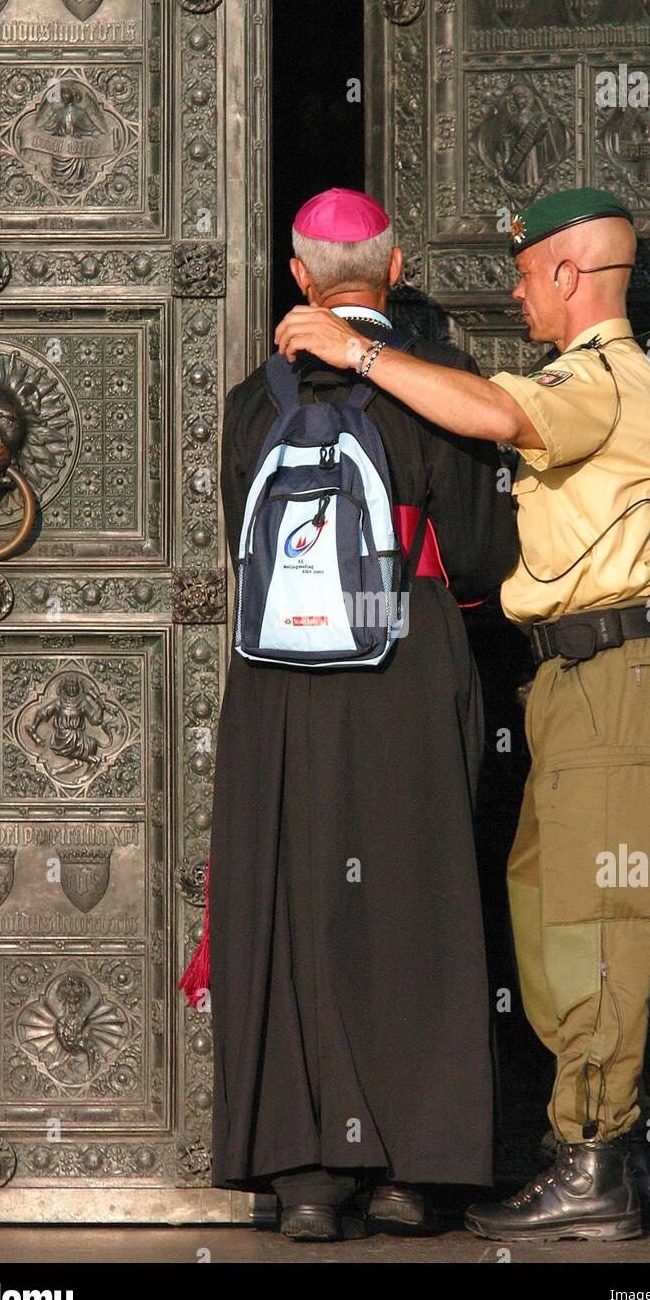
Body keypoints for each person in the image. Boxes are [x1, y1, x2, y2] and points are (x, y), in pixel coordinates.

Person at [275, 186, 650, 1242]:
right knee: (552, 910)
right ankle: (614, 1158)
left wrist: (358, 352)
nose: (512, 290)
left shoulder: (597, 377)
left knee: (590, 924)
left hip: (610, 676)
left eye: (523, 272)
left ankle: (596, 1161)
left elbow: (500, 416)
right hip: (570, 678)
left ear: (567, 274)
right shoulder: (592, 379)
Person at [191, 187, 517, 1241]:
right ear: (397, 266)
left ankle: (303, 1176)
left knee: (288, 899)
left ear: (296, 277)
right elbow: (477, 554)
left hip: (276, 679)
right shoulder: (436, 387)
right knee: (415, 896)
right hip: (406, 658)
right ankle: (413, 1168)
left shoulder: (252, 398)